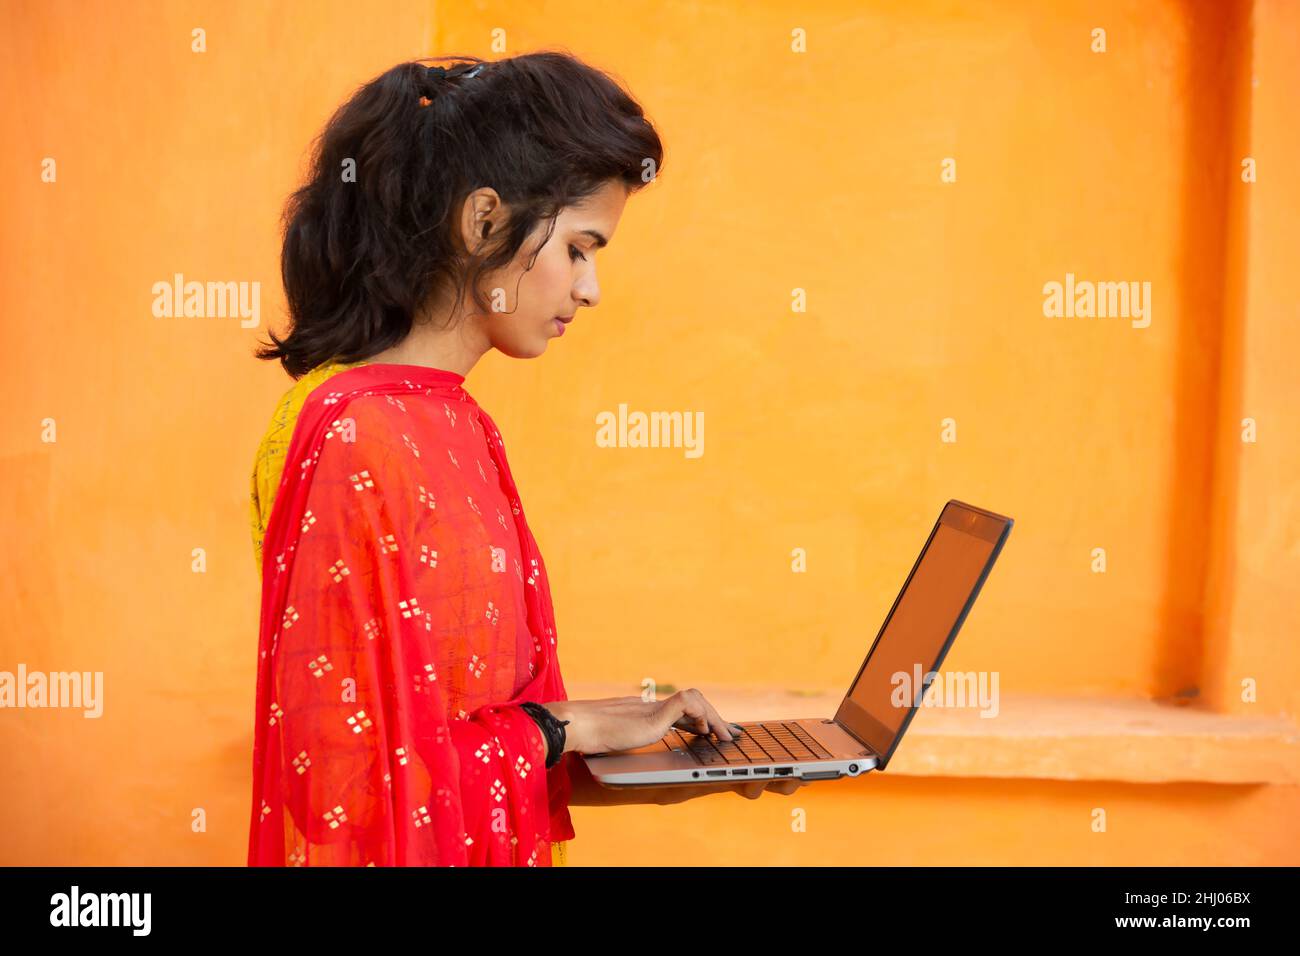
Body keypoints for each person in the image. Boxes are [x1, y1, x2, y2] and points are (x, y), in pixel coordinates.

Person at [247, 52, 807, 868]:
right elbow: (345, 786)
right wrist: (566, 724)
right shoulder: (352, 431)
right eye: (579, 248)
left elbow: (475, 746)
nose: (591, 290)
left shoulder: (459, 426)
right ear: (481, 223)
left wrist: (678, 762)